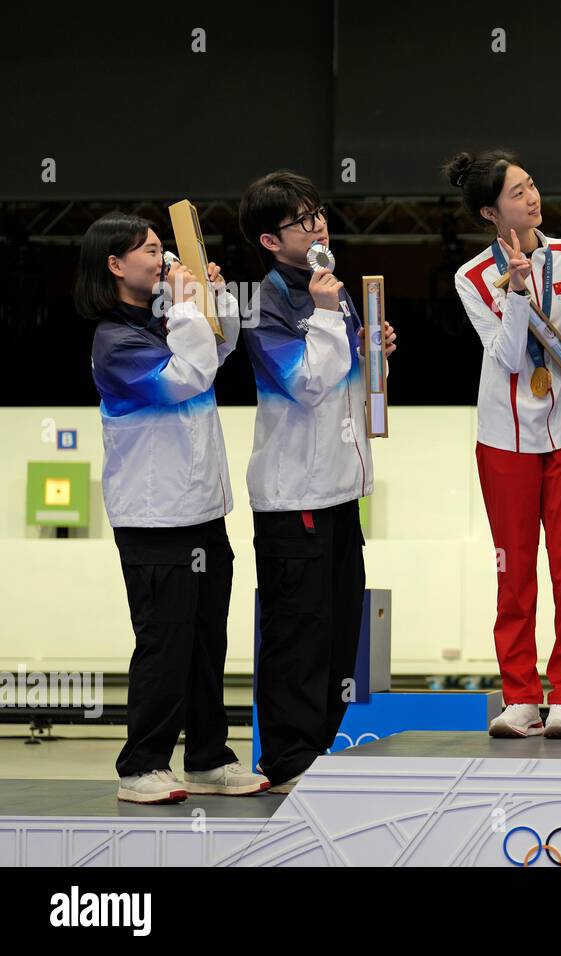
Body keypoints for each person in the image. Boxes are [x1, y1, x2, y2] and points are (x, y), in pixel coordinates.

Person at [78, 211, 266, 803]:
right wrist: (188, 306)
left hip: (203, 511)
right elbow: (187, 376)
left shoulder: (163, 316)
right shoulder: (115, 341)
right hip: (154, 520)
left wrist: (210, 300)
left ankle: (209, 758)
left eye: (164, 248)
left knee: (208, 640)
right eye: (151, 250)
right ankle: (141, 767)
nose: (163, 259)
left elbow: (220, 348)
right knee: (164, 641)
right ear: (115, 265)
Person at [237, 170, 396, 792]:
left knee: (335, 630)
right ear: (271, 241)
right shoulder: (267, 300)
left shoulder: (328, 288)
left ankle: (318, 753)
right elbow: (303, 383)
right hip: (292, 494)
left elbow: (341, 378)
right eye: (301, 221)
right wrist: (332, 320)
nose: (318, 225)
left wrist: (368, 345)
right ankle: (286, 760)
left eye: (318, 212)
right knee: (297, 630)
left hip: (339, 489)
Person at [446, 149, 561, 738]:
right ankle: (520, 695)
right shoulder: (471, 277)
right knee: (514, 571)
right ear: (491, 211)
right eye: (517, 193)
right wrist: (515, 292)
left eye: (532, 186)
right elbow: (511, 357)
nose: (532, 198)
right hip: (505, 440)